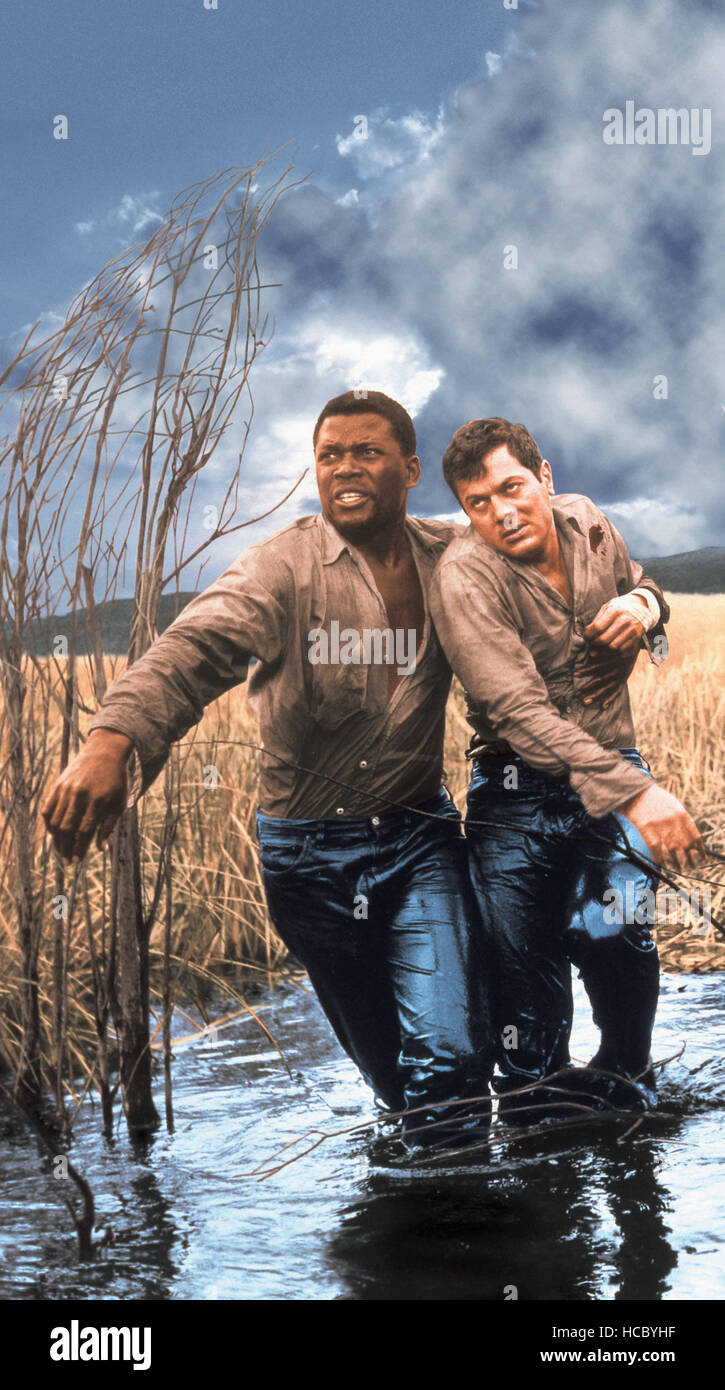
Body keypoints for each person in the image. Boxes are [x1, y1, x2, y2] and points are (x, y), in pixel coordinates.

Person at [41, 391, 495, 1150]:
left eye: (367, 453)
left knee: (449, 1062)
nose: (345, 469)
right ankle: (422, 1239)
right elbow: (193, 651)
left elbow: (553, 549)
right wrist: (111, 738)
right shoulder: (281, 567)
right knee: (393, 1078)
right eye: (329, 456)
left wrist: (641, 605)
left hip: (421, 839)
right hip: (309, 861)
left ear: (411, 469)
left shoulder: (452, 557)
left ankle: (463, 1240)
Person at [429, 417, 704, 1121]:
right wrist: (639, 794)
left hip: (613, 769)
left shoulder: (587, 522)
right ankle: (538, 1143)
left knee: (609, 927)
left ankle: (628, 1084)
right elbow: (518, 714)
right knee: (526, 1007)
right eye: (477, 503)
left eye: (511, 488)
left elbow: (642, 585)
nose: (501, 511)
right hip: (511, 792)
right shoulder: (463, 576)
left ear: (544, 478)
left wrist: (644, 607)